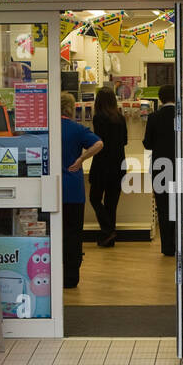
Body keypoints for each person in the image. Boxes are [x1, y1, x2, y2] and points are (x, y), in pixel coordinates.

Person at [60, 92, 103, 288]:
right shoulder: (77, 129)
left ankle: (51, 274)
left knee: (53, 233)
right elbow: (99, 143)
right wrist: (82, 159)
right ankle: (71, 277)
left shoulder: (48, 129)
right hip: (73, 188)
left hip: (51, 188)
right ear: (71, 107)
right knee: (73, 233)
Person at [88, 86, 128, 247]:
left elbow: (98, 142)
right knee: (111, 203)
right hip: (119, 164)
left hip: (102, 164)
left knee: (94, 198)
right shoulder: (120, 117)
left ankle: (108, 231)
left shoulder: (99, 118)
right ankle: (108, 235)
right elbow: (124, 141)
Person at [142, 83, 178, 256]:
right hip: (180, 166)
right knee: (178, 205)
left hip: (159, 166)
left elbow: (147, 143)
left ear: (160, 98)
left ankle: (167, 247)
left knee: (163, 206)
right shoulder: (182, 116)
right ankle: (180, 243)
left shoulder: (154, 117)